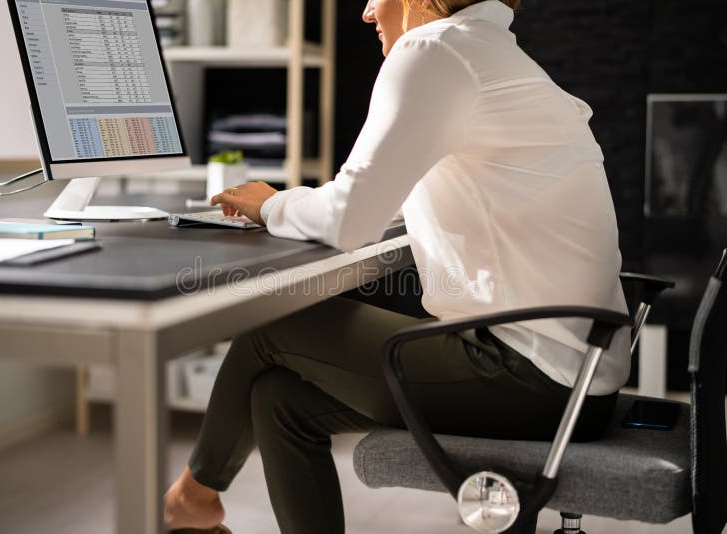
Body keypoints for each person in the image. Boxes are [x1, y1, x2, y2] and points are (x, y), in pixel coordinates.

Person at [164, 0, 631, 532]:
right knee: (279, 399)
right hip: (579, 377)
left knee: (271, 321)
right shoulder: (501, 58)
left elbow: (349, 218)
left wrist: (270, 203)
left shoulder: (434, 49)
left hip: (529, 375)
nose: (366, 12)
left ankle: (190, 499)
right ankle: (195, 503)